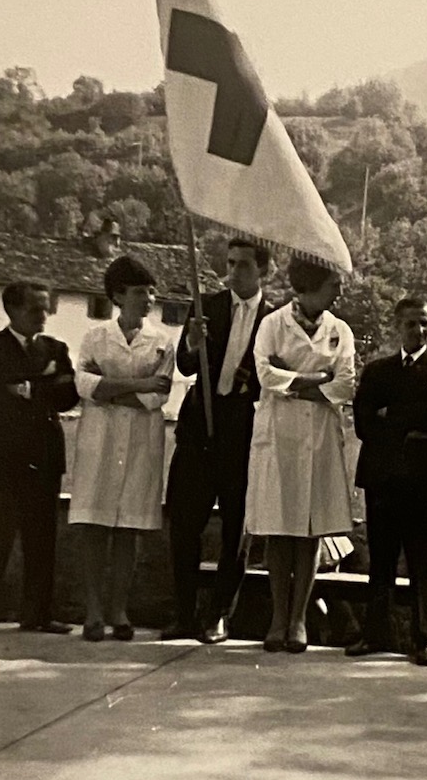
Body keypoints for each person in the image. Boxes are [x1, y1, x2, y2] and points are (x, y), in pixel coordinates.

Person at [163, 239, 272, 643]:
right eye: (229, 263)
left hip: (242, 432)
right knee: (184, 524)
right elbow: (186, 366)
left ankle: (219, 615)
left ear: (263, 270)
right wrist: (193, 344)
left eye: (243, 265)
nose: (233, 271)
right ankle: (183, 614)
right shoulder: (205, 306)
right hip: (198, 427)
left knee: (235, 531)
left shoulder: (276, 320)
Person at [245, 257, 355, 654]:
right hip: (280, 438)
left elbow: (345, 385)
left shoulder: (339, 330)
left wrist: (294, 380)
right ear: (311, 285)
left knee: (309, 532)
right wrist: (315, 380)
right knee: (279, 528)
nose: (338, 293)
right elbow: (265, 375)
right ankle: (277, 617)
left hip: (319, 439)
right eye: (333, 285)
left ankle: (299, 619)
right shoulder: (272, 325)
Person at [347, 297, 427, 666]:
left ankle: (425, 640)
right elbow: (364, 425)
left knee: (423, 565)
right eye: (412, 323)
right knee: (380, 562)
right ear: (397, 326)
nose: (419, 330)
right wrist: (408, 419)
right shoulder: (376, 372)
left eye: (425, 323)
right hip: (383, 481)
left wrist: (389, 414)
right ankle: (374, 634)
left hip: (423, 485)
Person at [69, 256, 175, 641]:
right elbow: (84, 385)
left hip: (140, 441)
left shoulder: (163, 341)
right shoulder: (94, 338)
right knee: (94, 525)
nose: (148, 299)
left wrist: (110, 388)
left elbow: (158, 395)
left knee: (128, 528)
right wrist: (138, 385)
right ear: (117, 296)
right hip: (101, 440)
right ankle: (94, 610)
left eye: (150, 292)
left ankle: (119, 609)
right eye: (138, 292)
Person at [0, 281, 79, 634]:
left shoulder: (56, 348)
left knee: (41, 539)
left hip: (43, 457)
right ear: (12, 310)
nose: (44, 316)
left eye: (46, 308)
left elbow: (68, 395)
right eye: (35, 309)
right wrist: (45, 383)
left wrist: (28, 388)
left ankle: (37, 614)